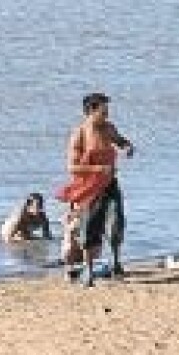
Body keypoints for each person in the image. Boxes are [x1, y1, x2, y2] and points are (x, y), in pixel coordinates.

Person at [56, 92, 135, 287]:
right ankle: (89, 271)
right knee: (89, 228)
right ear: (91, 111)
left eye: (107, 109)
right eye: (103, 110)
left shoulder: (108, 128)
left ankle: (116, 262)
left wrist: (127, 147)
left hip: (110, 183)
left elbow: (120, 140)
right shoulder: (80, 134)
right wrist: (98, 168)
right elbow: (72, 167)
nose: (107, 113)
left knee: (116, 221)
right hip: (88, 187)